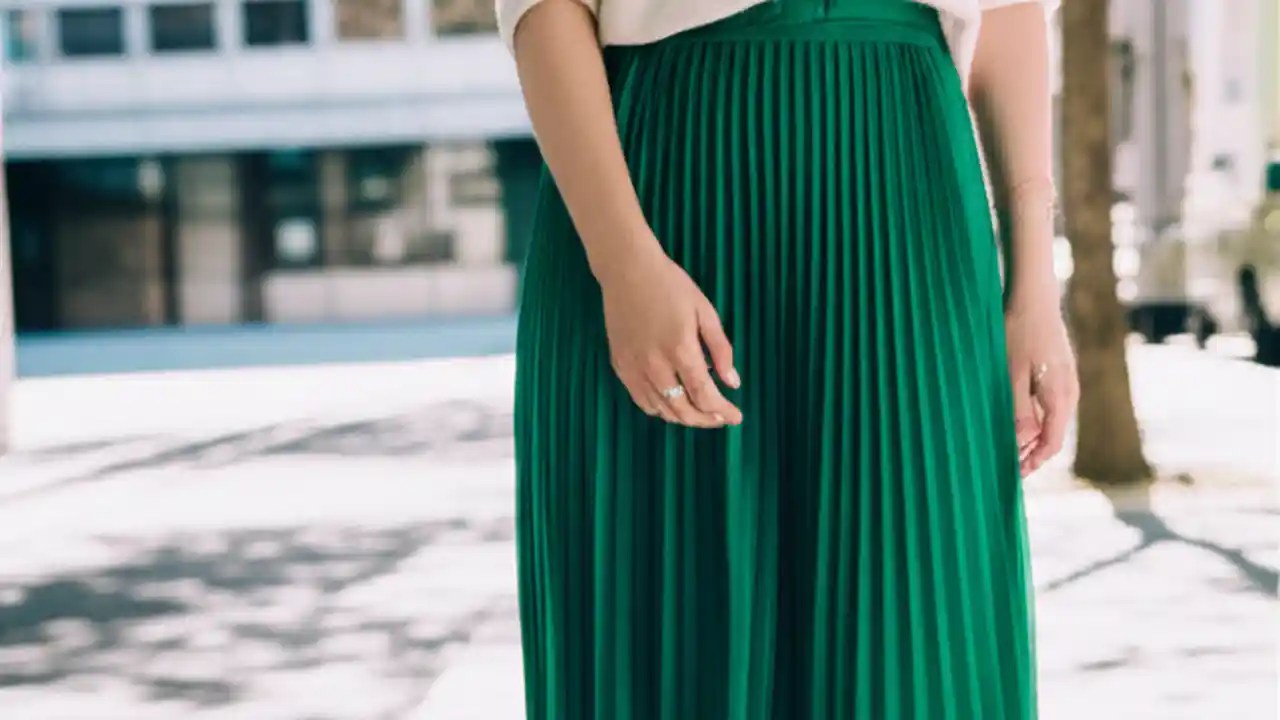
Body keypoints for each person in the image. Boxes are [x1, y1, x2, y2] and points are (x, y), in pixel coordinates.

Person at [501, 0, 1079, 717]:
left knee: (916, 642)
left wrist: (1035, 291)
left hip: (911, 202)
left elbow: (1008, 10)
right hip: (660, 195)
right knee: (678, 633)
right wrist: (623, 261)